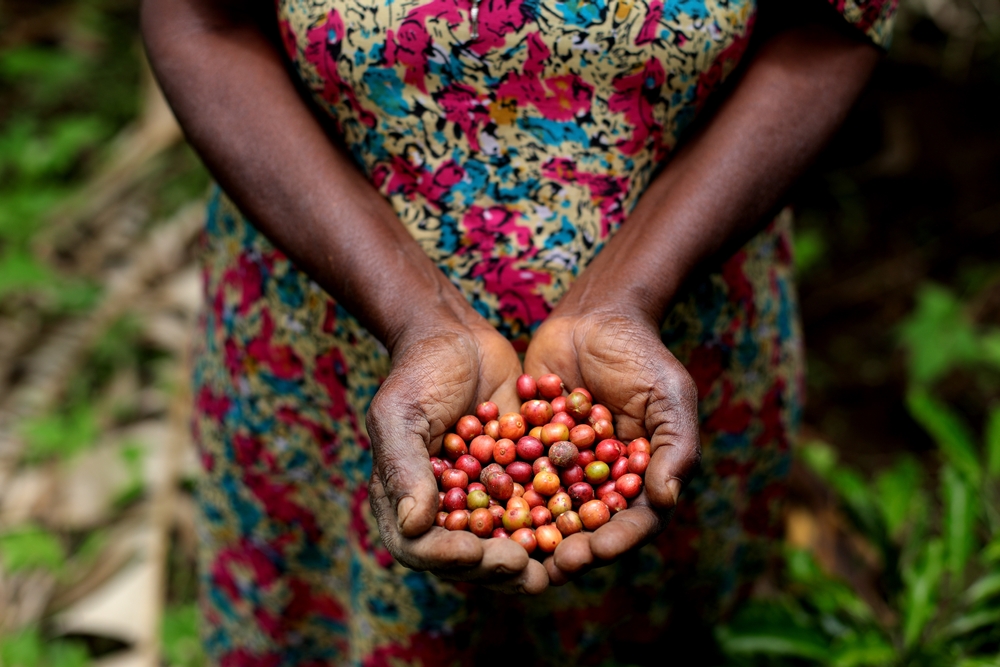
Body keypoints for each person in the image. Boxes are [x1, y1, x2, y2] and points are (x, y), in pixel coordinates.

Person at [142, 0, 895, 663]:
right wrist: (412, 311)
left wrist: (631, 290)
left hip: (689, 320)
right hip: (323, 341)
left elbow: (834, 24)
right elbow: (200, 19)